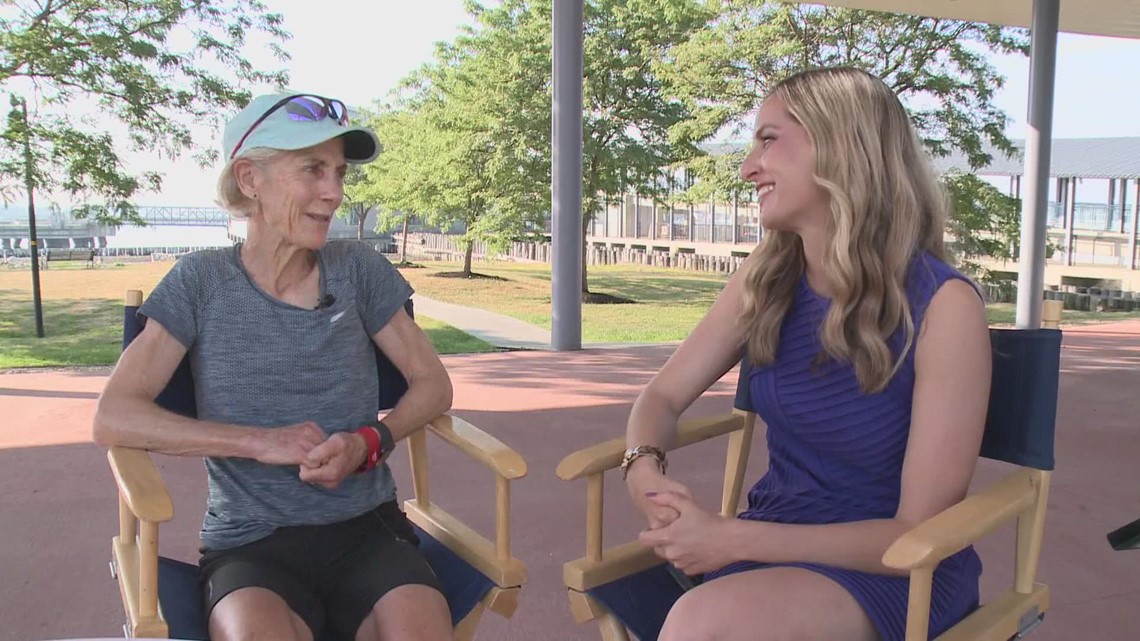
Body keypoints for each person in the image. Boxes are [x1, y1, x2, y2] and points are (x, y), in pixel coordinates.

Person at [620, 67, 992, 641]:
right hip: (770, 544)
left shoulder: (945, 307)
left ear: (842, 145)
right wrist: (643, 469)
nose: (748, 168)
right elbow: (663, 396)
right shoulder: (765, 279)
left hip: (897, 572)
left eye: (769, 139)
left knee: (702, 624)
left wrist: (729, 537)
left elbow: (916, 532)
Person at [93, 93, 455, 641]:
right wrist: (259, 442)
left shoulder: (359, 271)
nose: (334, 192)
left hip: (370, 532)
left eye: (338, 172)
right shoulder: (199, 282)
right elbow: (115, 416)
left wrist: (370, 441)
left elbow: (434, 385)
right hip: (249, 544)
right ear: (249, 179)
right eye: (312, 169)